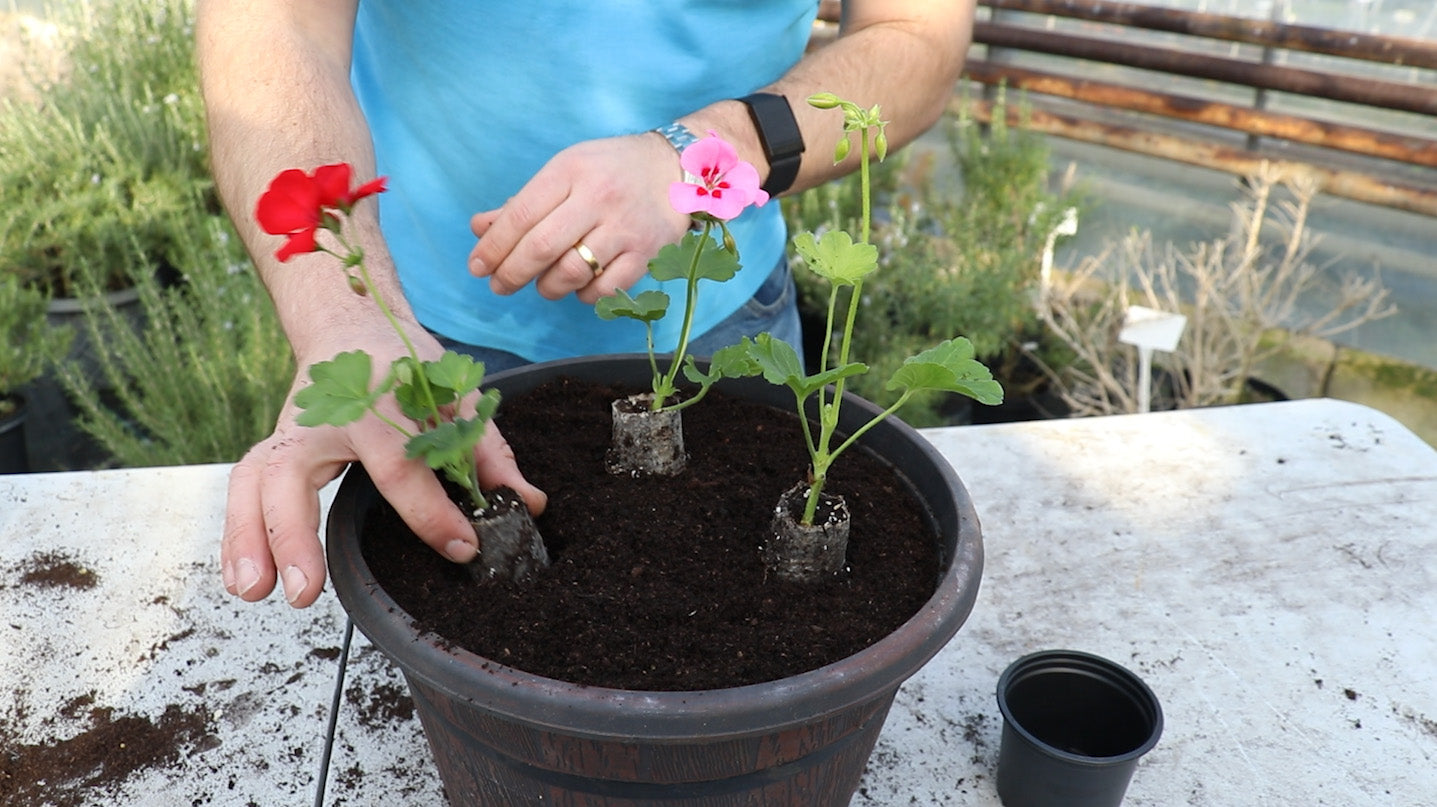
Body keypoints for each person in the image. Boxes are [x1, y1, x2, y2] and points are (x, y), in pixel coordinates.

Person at [197, 0, 976, 608]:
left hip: (718, 313)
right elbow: (274, 23)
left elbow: (918, 36)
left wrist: (702, 149)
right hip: (418, 333)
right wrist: (343, 312)